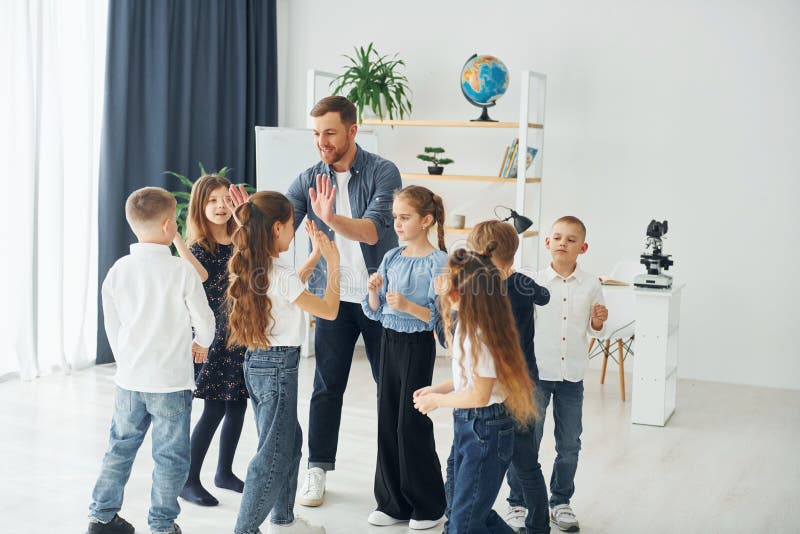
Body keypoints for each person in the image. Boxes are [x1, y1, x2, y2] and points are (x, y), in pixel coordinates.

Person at [286, 95, 402, 506]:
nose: (322, 141)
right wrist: (248, 219)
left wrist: (330, 218)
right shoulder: (307, 179)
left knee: (390, 387)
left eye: (330, 132)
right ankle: (317, 469)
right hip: (332, 299)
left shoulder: (383, 171)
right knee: (326, 386)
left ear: (353, 131)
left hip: (379, 296)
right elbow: (277, 230)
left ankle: (395, 473)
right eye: (317, 133)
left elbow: (373, 230)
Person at [87, 187, 216, 534]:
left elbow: (112, 324)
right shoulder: (181, 271)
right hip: (170, 382)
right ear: (168, 226)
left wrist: (126, 360)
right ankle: (161, 525)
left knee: (119, 448)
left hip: (130, 380)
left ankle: (101, 517)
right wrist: (202, 343)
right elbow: (205, 320)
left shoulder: (119, 269)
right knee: (170, 456)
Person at [226, 190, 339, 534]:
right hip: (277, 368)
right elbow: (329, 311)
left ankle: (283, 520)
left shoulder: (259, 265)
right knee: (273, 455)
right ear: (277, 228)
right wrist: (333, 263)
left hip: (259, 365)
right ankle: (245, 530)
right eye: (292, 225)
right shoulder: (278, 271)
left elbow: (290, 291)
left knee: (288, 444)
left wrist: (315, 255)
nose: (294, 231)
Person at [413, 246, 537, 534]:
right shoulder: (468, 327)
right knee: (464, 510)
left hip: (485, 428)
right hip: (471, 424)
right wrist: (438, 388)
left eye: (448, 284)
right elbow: (470, 379)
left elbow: (480, 395)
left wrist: (437, 401)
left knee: (465, 521)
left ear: (461, 293)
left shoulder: (479, 336)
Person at [508, 215, 608, 532]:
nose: (563, 243)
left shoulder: (591, 285)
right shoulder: (532, 281)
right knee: (528, 440)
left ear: (583, 248)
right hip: (536, 373)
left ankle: (560, 502)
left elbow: (596, 330)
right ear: (548, 242)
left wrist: (598, 320)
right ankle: (518, 503)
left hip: (572, 377)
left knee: (569, 444)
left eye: (571, 239)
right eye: (558, 237)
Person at [362, 185, 448, 530]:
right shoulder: (392, 256)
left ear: (426, 220)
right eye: (395, 217)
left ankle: (429, 505)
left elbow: (439, 319)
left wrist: (408, 306)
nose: (397, 224)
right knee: (387, 419)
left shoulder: (439, 262)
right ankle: (392, 502)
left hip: (416, 346)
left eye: (405, 217)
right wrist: (373, 292)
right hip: (389, 342)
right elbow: (376, 310)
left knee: (410, 423)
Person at [466, 221, 552, 534]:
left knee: (490, 458)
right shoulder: (520, 284)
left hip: (499, 386)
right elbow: (544, 296)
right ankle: (538, 526)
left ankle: (474, 516)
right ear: (512, 257)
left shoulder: (481, 291)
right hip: (520, 382)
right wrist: (517, 277)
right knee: (526, 463)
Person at [168, 175, 248, 507]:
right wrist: (178, 240)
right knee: (214, 407)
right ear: (200, 206)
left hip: (241, 335)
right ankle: (188, 480)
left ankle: (224, 472)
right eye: (212, 200)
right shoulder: (199, 247)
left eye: (225, 199)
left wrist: (246, 222)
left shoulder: (241, 240)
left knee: (238, 405)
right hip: (213, 339)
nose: (220, 206)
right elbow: (201, 276)